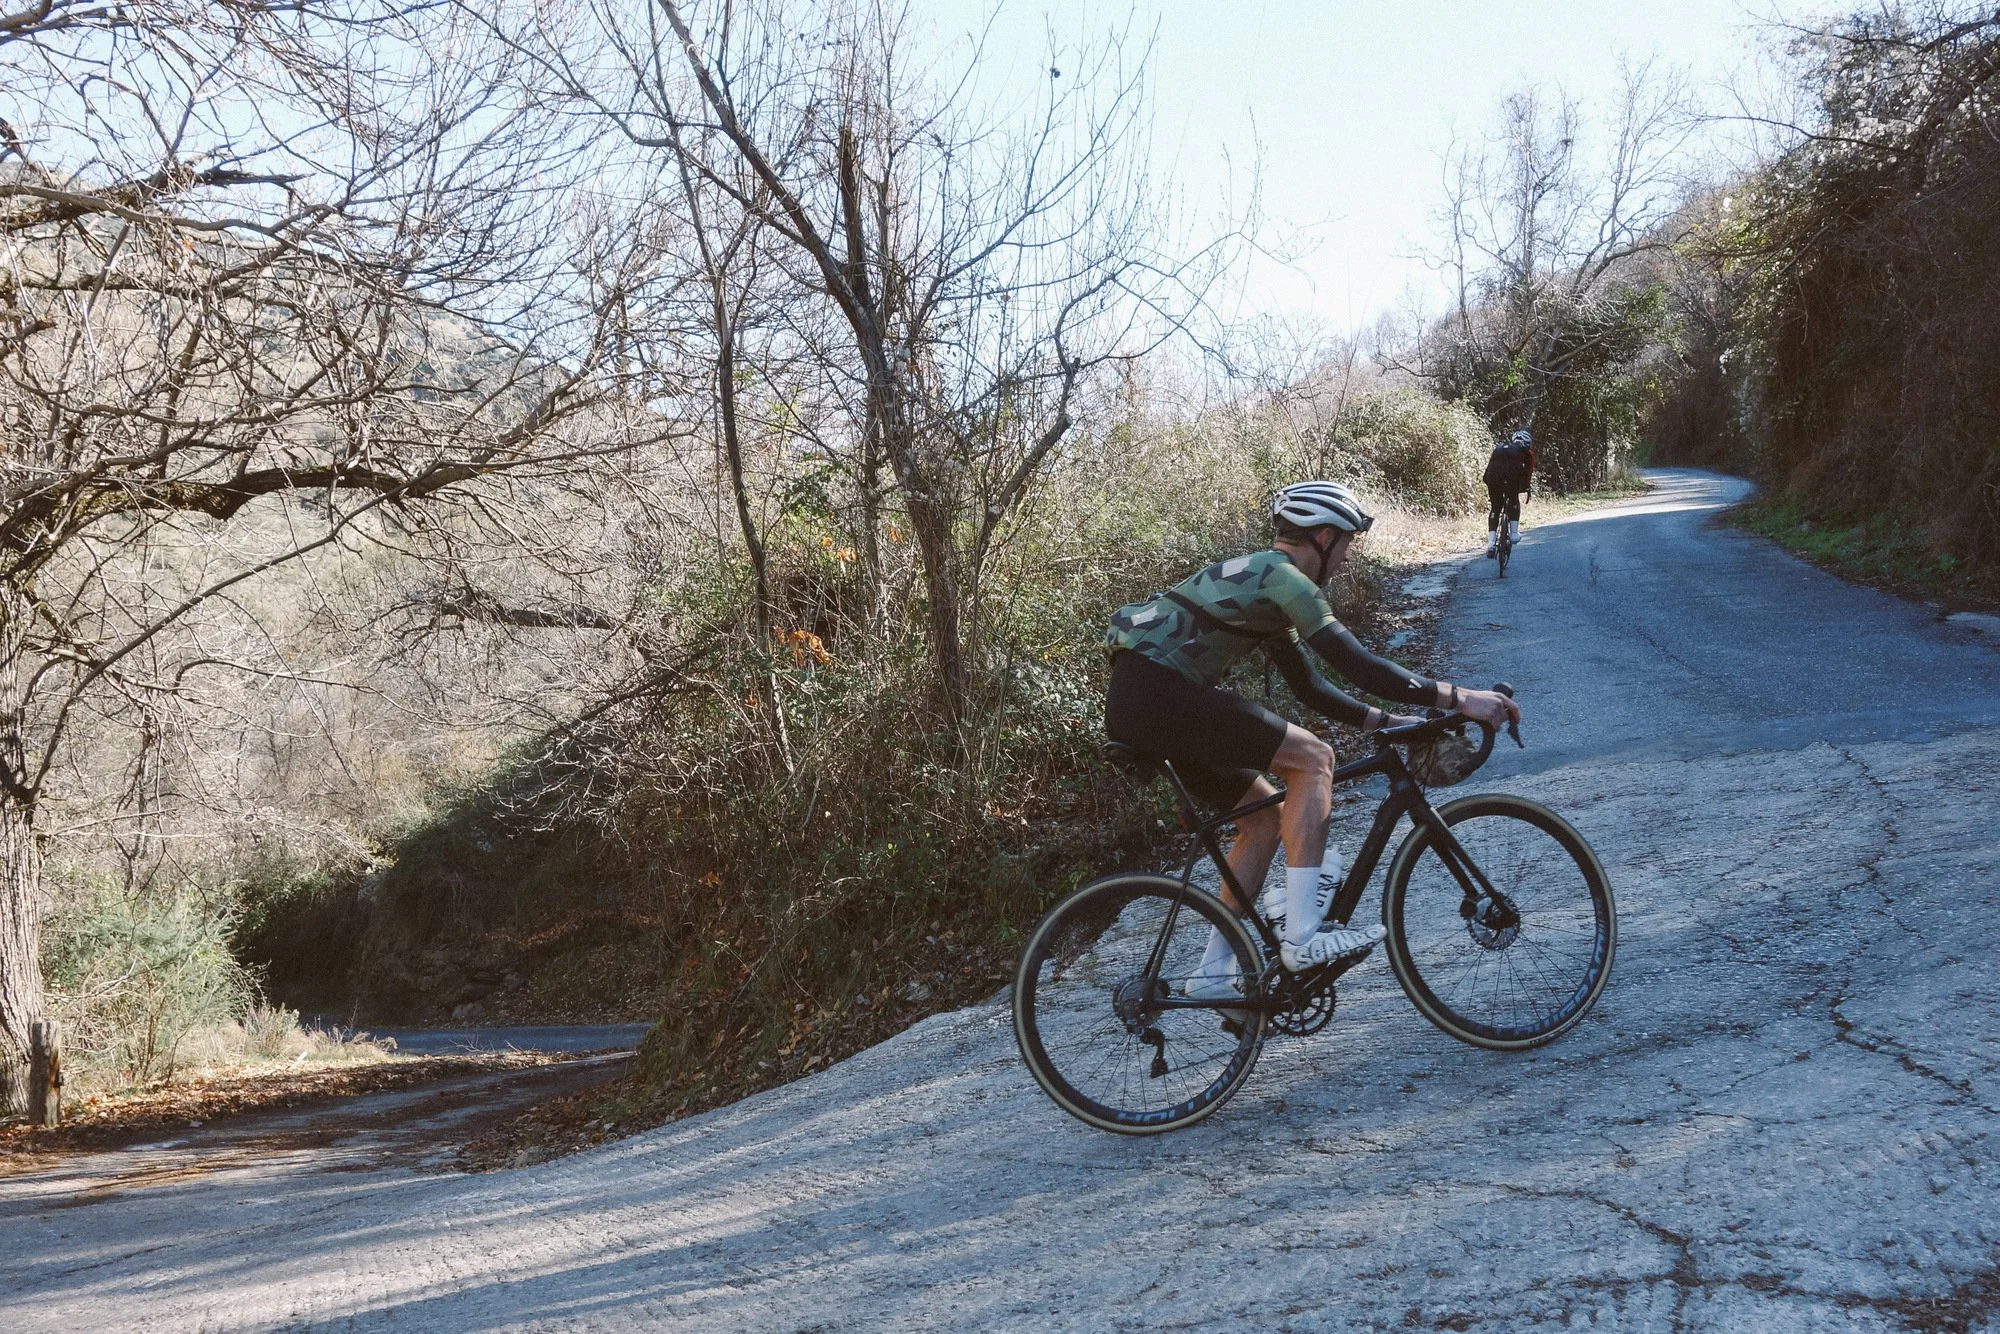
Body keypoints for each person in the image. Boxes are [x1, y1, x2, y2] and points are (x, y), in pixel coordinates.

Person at [1102, 481, 1521, 1002]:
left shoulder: (1262, 583)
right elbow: (1356, 664)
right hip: (1157, 695)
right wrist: (1460, 698)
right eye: (1345, 546)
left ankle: (1212, 971)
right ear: (1324, 537)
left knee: (1259, 817)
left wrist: (1388, 723)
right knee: (1314, 759)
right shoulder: (1285, 580)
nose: (1345, 561)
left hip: (1140, 701)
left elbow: (1313, 687)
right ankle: (1301, 935)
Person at [1483, 429, 1537, 557]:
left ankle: (1491, 543)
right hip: (1512, 474)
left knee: (1496, 506)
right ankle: (1513, 534)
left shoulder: (1499, 447)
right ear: (1527, 442)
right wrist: (1526, 487)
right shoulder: (1527, 452)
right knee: (1513, 500)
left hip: (1492, 476)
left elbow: (1489, 470)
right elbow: (1528, 472)